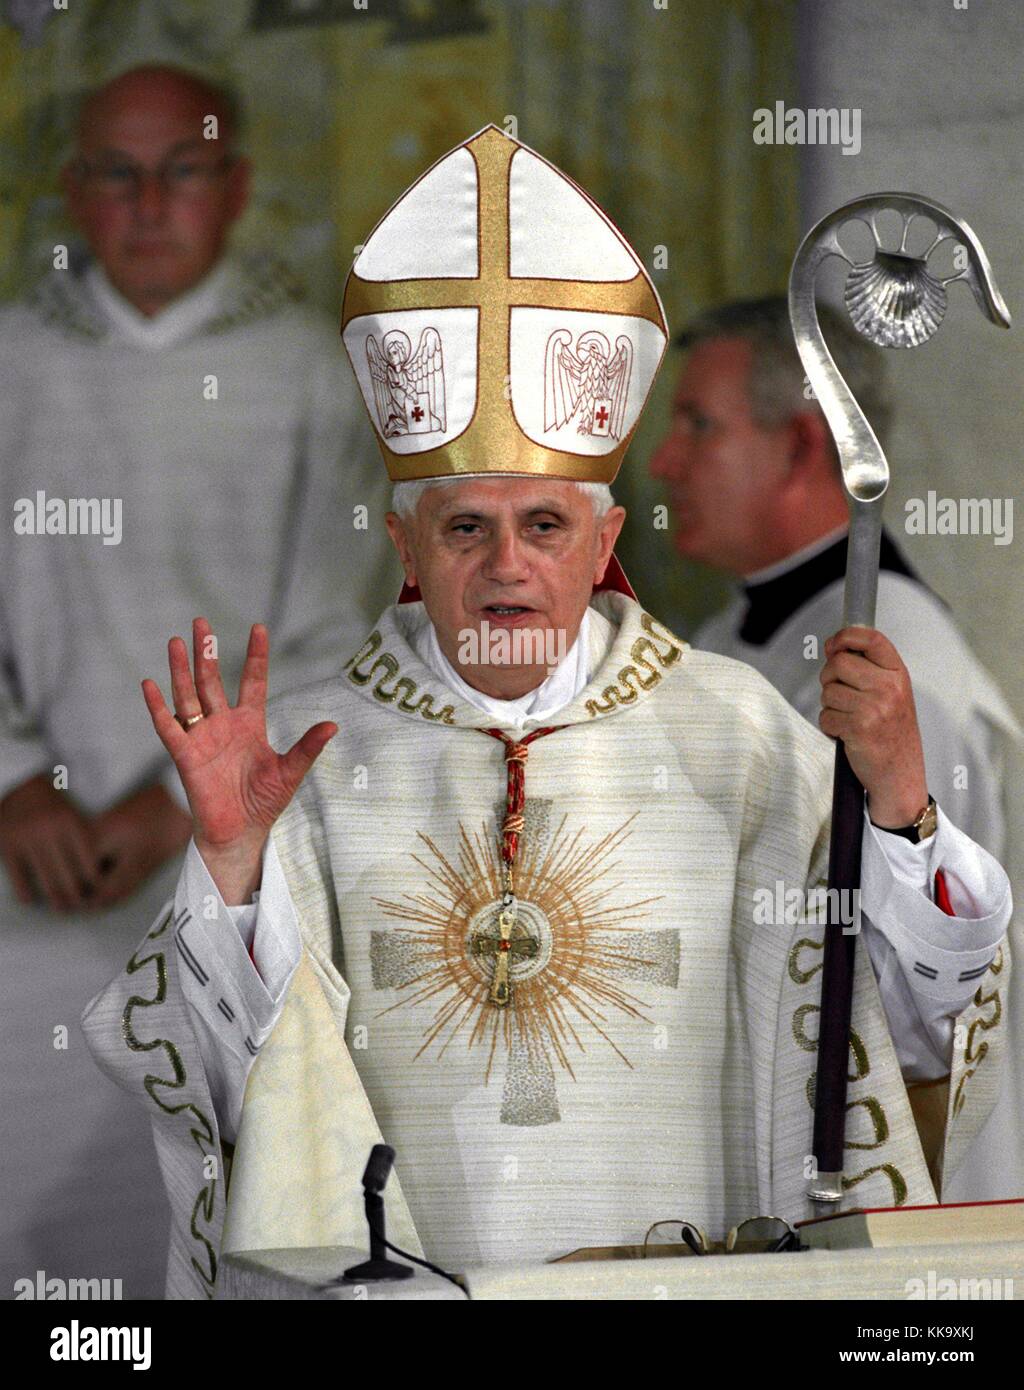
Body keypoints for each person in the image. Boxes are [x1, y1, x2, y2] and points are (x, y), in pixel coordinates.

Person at [83, 127, 1011, 1298]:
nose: (507, 567)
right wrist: (228, 865)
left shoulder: (737, 735)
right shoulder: (308, 755)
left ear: (606, 542)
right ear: (405, 543)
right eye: (466, 527)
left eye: (546, 527)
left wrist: (902, 810)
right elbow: (208, 1091)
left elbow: (911, 1031)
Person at [0, 64, 396, 1297]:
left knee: (223, 1211)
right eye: (116, 173)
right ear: (73, 190)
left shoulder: (311, 374)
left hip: (234, 862)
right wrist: (15, 781)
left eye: (181, 169)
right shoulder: (10, 360)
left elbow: (344, 634)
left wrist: (191, 800)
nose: (148, 203)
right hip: (28, 879)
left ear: (233, 187)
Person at [650, 295, 1023, 1200]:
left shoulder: (904, 675)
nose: (662, 464)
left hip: (868, 1168)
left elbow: (932, 988)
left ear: (806, 447)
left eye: (699, 425)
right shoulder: (734, 633)